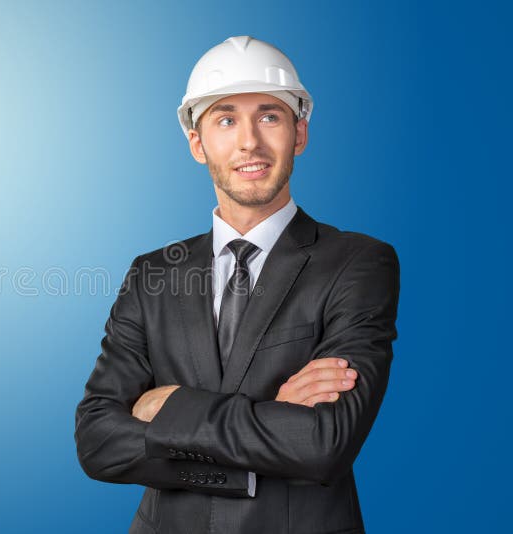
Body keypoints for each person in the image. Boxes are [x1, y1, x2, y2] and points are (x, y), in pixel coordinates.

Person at [74, 36, 400, 534]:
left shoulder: (357, 263)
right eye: (226, 120)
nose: (249, 141)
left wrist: (169, 405)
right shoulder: (152, 274)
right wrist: (268, 425)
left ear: (300, 133)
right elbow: (98, 440)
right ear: (197, 144)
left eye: (269, 116)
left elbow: (323, 442)